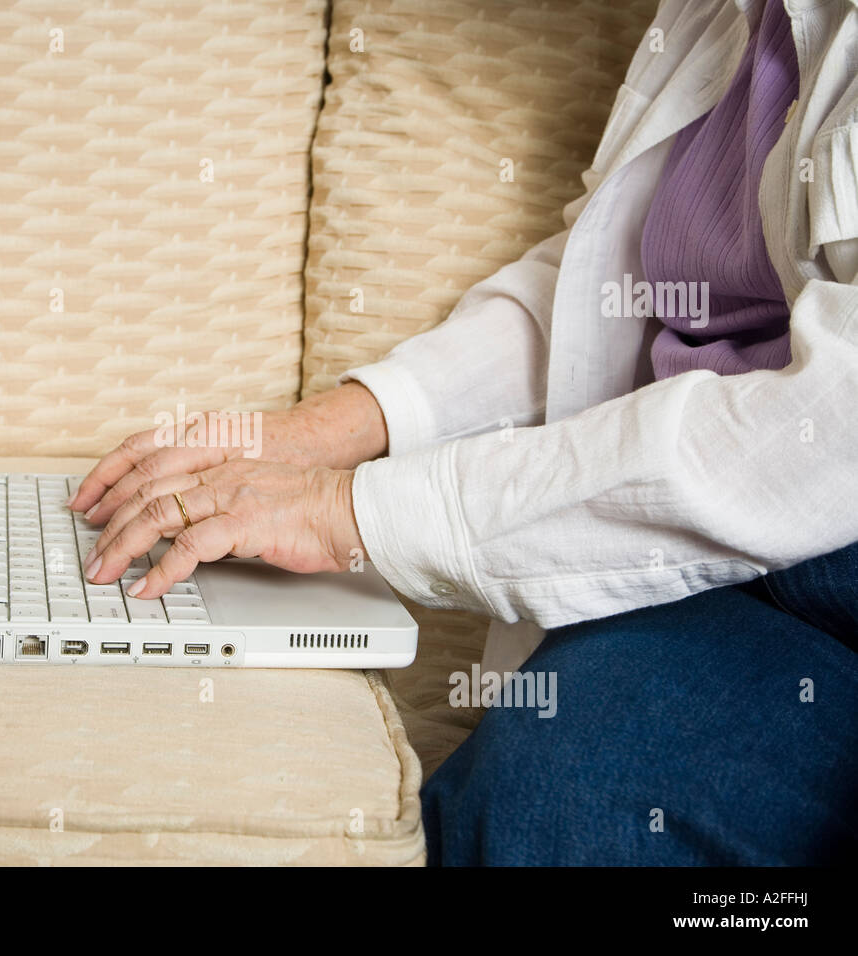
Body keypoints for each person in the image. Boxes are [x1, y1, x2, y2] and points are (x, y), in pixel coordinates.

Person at [67, 0, 858, 864]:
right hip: (743, 580)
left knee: (565, 805)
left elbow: (808, 441)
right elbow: (604, 289)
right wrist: (334, 430)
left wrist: (350, 513)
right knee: (544, 789)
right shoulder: (729, 14)